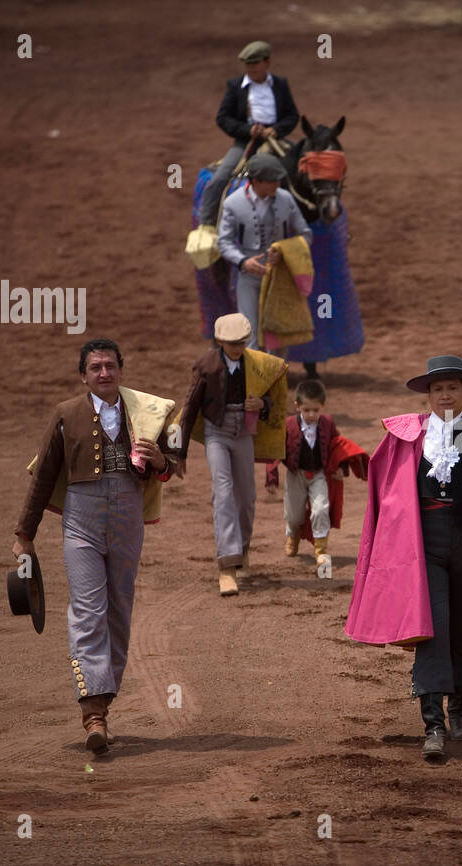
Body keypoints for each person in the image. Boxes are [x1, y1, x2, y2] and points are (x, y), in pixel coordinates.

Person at [345, 356, 462, 761]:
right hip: (422, 542)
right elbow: (385, 489)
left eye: (452, 388)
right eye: (437, 389)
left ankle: (459, 713)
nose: (445, 395)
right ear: (428, 395)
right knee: (431, 624)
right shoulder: (407, 436)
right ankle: (433, 724)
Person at [13, 338, 177, 754]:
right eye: (95, 367)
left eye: (110, 366)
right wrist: (23, 536)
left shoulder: (142, 415)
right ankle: (93, 713)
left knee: (120, 608)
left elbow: (167, 468)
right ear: (83, 376)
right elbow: (44, 477)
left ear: (121, 370)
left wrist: (158, 460)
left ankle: (103, 697)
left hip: (126, 517)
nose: (104, 373)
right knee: (89, 609)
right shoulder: (66, 414)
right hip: (81, 519)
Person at [172, 313, 287, 596]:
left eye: (241, 342)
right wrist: (180, 452)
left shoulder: (257, 365)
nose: (237, 347)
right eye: (232, 343)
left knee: (247, 496)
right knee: (223, 492)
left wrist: (262, 403)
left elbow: (275, 397)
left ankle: (242, 550)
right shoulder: (206, 366)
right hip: (217, 434)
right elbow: (190, 407)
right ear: (220, 341)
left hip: (244, 434)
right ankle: (227, 566)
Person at [265, 378, 368, 569]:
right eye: (306, 410)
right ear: (297, 406)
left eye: (316, 410)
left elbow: (337, 445)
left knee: (321, 509)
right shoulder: (288, 425)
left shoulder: (327, 423)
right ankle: (293, 534)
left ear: (323, 406)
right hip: (295, 475)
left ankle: (321, 550)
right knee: (294, 516)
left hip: (319, 474)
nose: (311, 414)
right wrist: (272, 477)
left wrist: (341, 468)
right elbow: (275, 450)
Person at [217, 153, 312, 352]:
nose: (278, 184)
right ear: (256, 181)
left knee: (278, 337)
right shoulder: (233, 203)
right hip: (249, 277)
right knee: (248, 334)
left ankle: (276, 381)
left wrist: (285, 252)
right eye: (273, 181)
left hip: (279, 276)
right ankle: (252, 382)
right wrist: (243, 262)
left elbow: (306, 234)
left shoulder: (285, 199)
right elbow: (224, 242)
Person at [199, 41, 301, 227]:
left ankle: (319, 220)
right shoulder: (235, 86)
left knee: (306, 171)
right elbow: (223, 118)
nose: (251, 68)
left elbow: (292, 115)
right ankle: (206, 226)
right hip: (247, 142)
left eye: (255, 63)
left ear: (267, 62)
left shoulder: (280, 84)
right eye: (248, 64)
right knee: (219, 179)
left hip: (275, 139)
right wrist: (248, 130)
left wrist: (277, 129)